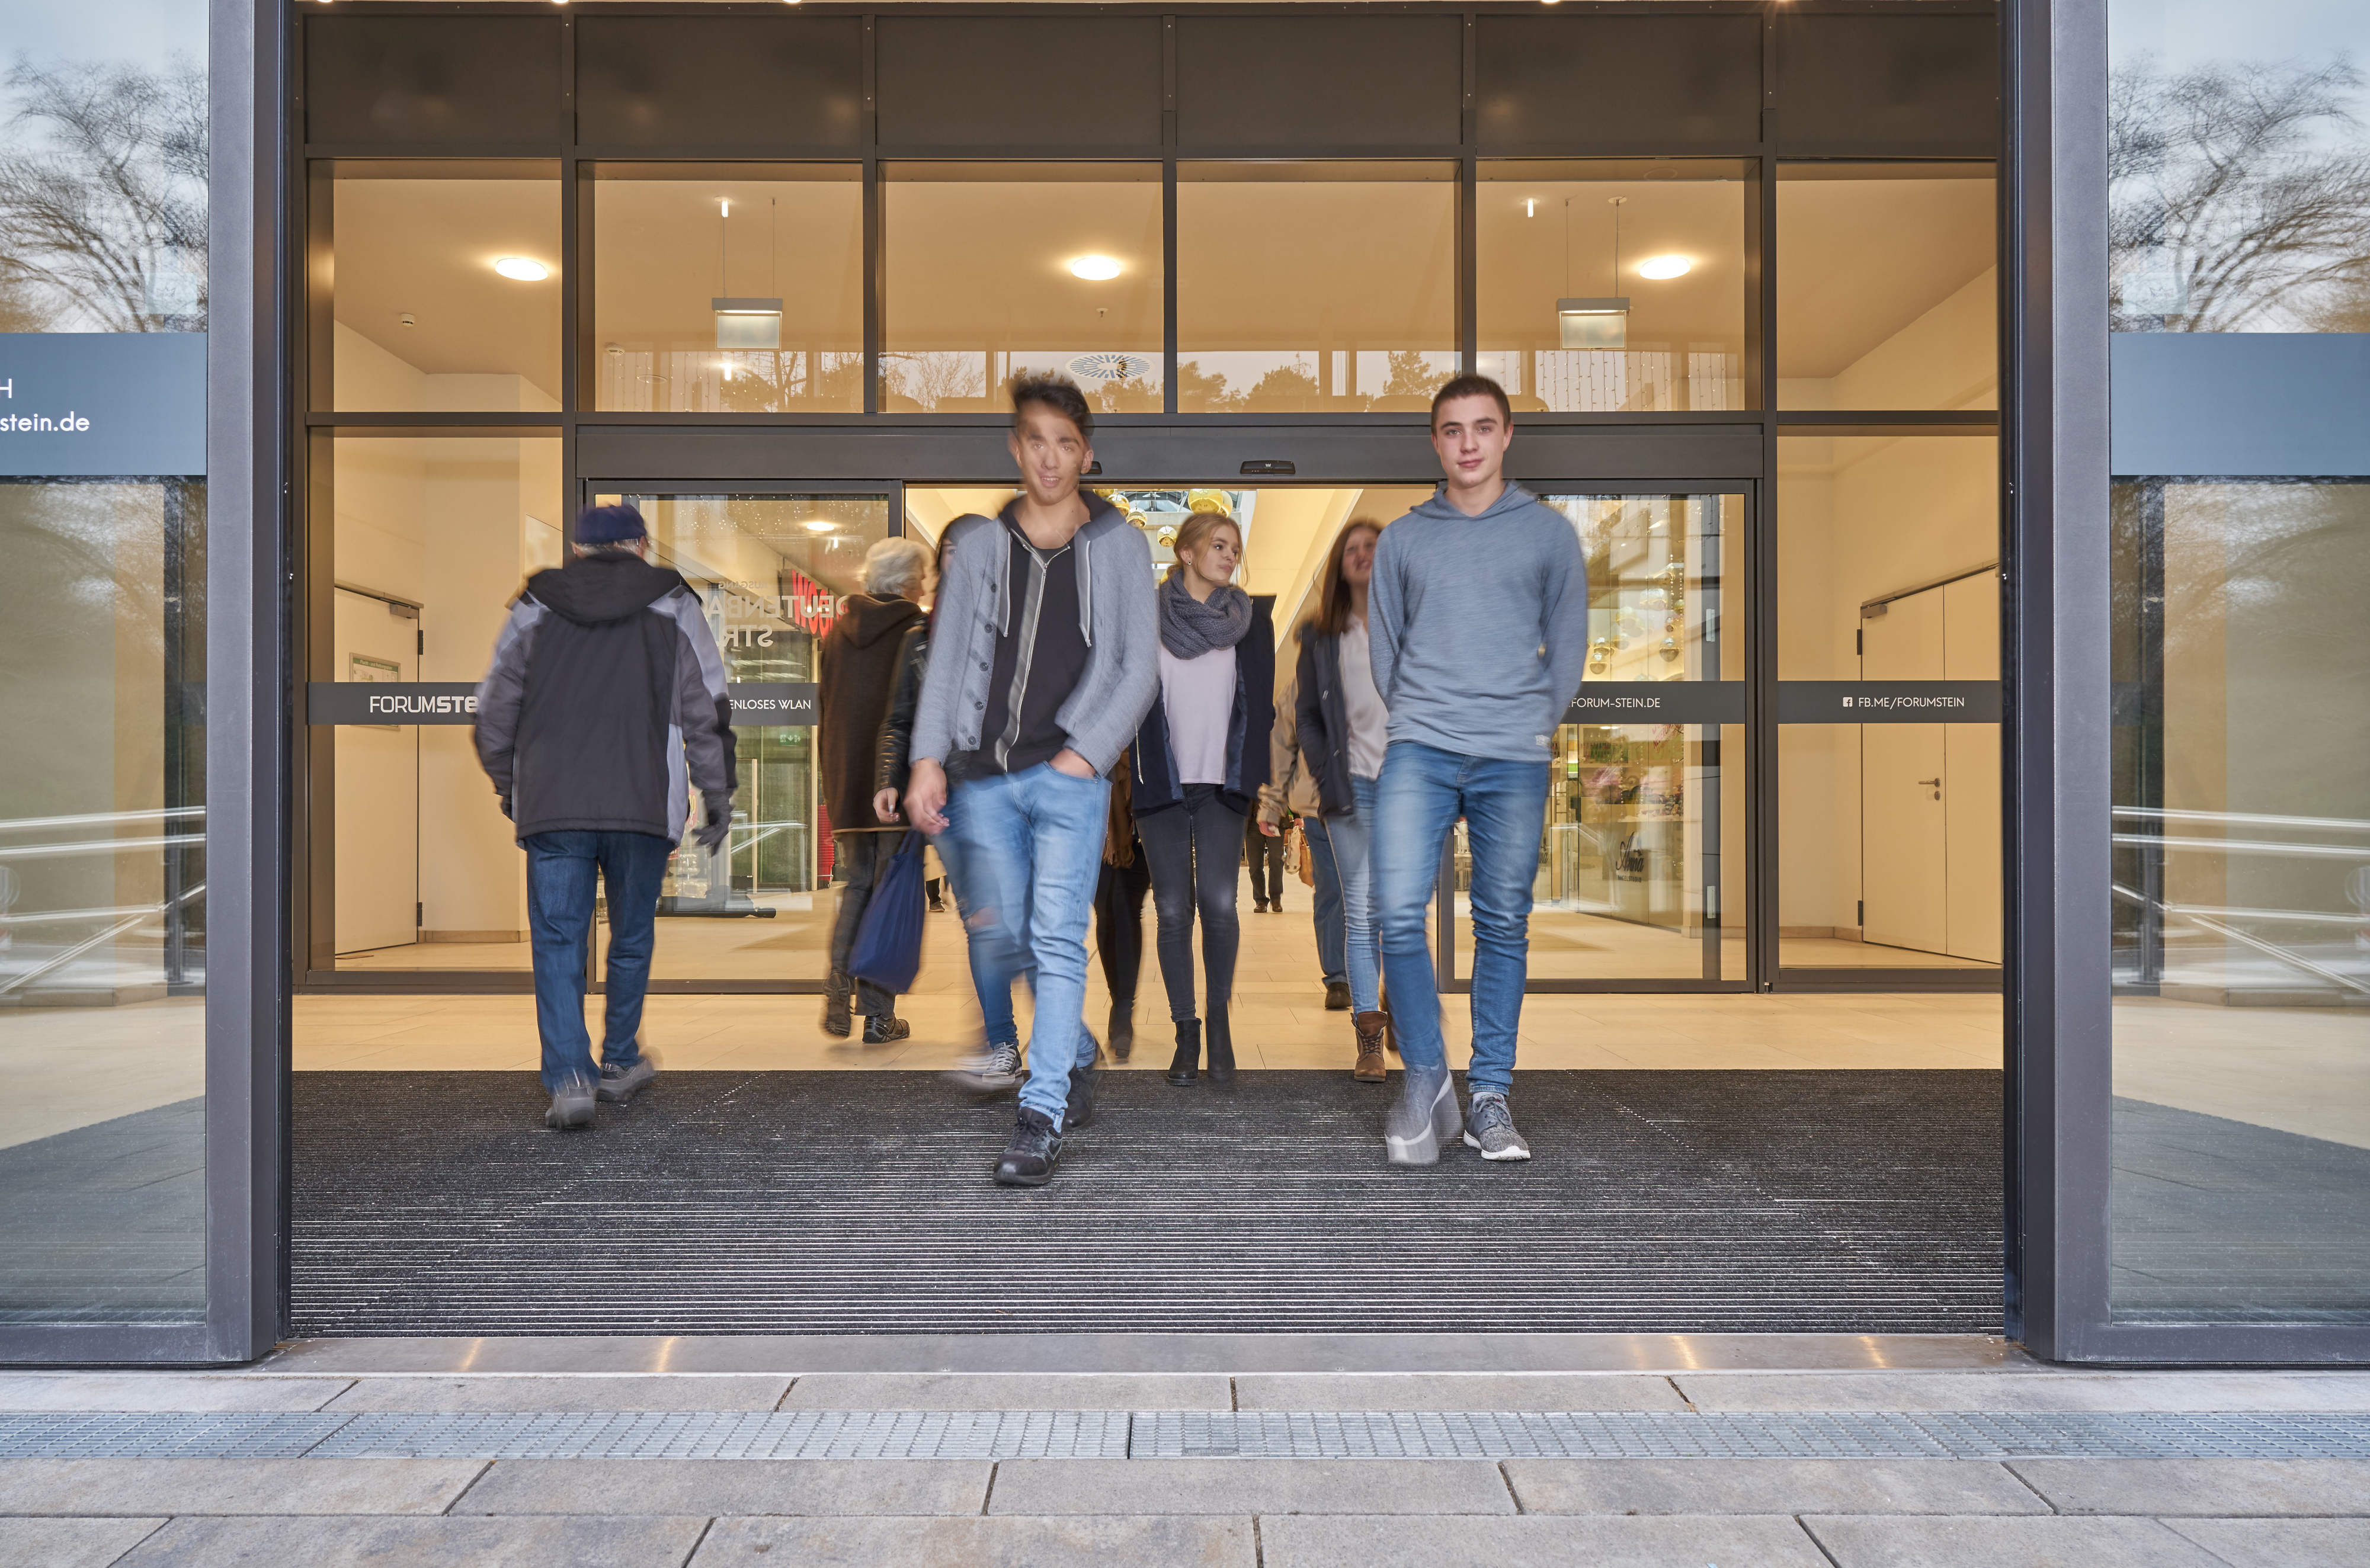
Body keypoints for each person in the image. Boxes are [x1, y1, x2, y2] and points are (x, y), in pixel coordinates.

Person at [902, 374, 1160, 1186]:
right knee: (1005, 932)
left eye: (1067, 443)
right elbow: (945, 661)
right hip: (981, 776)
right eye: (1036, 440)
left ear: (1086, 453)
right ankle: (1073, 1045)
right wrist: (926, 757)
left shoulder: (1119, 544)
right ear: (1017, 448)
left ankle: (1041, 1109)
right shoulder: (977, 545)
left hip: (1069, 776)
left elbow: (1138, 667)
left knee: (1054, 938)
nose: (1051, 458)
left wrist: (1088, 750)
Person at [1370, 376, 1588, 1165]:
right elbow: (1386, 649)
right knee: (1395, 910)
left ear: (1506, 436)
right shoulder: (1403, 538)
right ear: (1436, 441)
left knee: (1501, 921)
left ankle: (1489, 1094)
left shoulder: (1547, 535)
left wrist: (1532, 722)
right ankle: (1427, 1078)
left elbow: (1566, 647)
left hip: (1511, 755)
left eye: (1483, 427)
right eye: (1453, 429)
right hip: (1421, 747)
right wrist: (1424, 718)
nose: (1468, 442)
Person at [473, 502, 735, 1130]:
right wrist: (717, 793)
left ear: (580, 550)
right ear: (640, 545)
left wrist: (512, 785)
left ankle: (569, 1078)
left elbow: (493, 710)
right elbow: (708, 707)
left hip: (555, 803)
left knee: (559, 941)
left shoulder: (535, 604)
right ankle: (619, 1061)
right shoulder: (674, 602)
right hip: (642, 800)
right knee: (631, 935)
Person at [875, 527, 1026, 1092]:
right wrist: (892, 779)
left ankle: (1067, 1038)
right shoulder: (921, 638)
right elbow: (900, 719)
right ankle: (1002, 1043)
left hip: (1014, 795)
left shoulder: (1021, 631)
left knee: (1020, 919)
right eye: (952, 556)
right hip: (953, 801)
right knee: (984, 919)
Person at [1129, 511, 1274, 1088]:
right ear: (1185, 554)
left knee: (1218, 905)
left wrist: (1257, 778)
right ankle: (1184, 1031)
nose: (1229, 555)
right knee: (1170, 910)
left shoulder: (1249, 620)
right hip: (1161, 785)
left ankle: (1219, 1027)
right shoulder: (1146, 617)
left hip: (1222, 784)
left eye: (1234, 548)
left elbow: (1258, 705)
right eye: (1218, 546)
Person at [1268, 518, 1392, 1085]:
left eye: (1374, 546)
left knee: (1401, 911)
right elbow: (1306, 722)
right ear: (1339, 565)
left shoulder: (1410, 624)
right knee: (1360, 909)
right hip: (1348, 789)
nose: (1364, 554)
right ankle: (1369, 1033)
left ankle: (1402, 1012)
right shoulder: (1321, 637)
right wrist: (1321, 774)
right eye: (1354, 548)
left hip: (1409, 785)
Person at [817, 536, 933, 1044]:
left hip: (847, 779)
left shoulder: (836, 633)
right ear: (908, 582)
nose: (927, 585)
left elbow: (827, 707)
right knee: (890, 892)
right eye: (924, 576)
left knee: (858, 886)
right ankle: (879, 1017)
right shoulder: (917, 630)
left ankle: (839, 986)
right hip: (896, 780)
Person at [1262, 671, 1350, 1009]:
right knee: (1331, 891)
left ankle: (1366, 974)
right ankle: (1338, 978)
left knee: (1370, 896)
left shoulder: (1383, 658)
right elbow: (1283, 745)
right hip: (1319, 805)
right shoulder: (1303, 680)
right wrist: (1272, 803)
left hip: (1374, 801)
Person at [1094, 755, 1151, 1060]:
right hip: (1096, 827)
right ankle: (1119, 1002)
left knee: (1128, 911)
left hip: (1141, 825)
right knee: (1105, 913)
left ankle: (1123, 1012)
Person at [1244, 809, 1286, 913]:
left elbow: (1287, 792)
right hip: (1252, 821)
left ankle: (1276, 899)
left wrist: (1297, 815)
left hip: (1275, 818)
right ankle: (1260, 901)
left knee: (1276, 860)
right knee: (1254, 865)